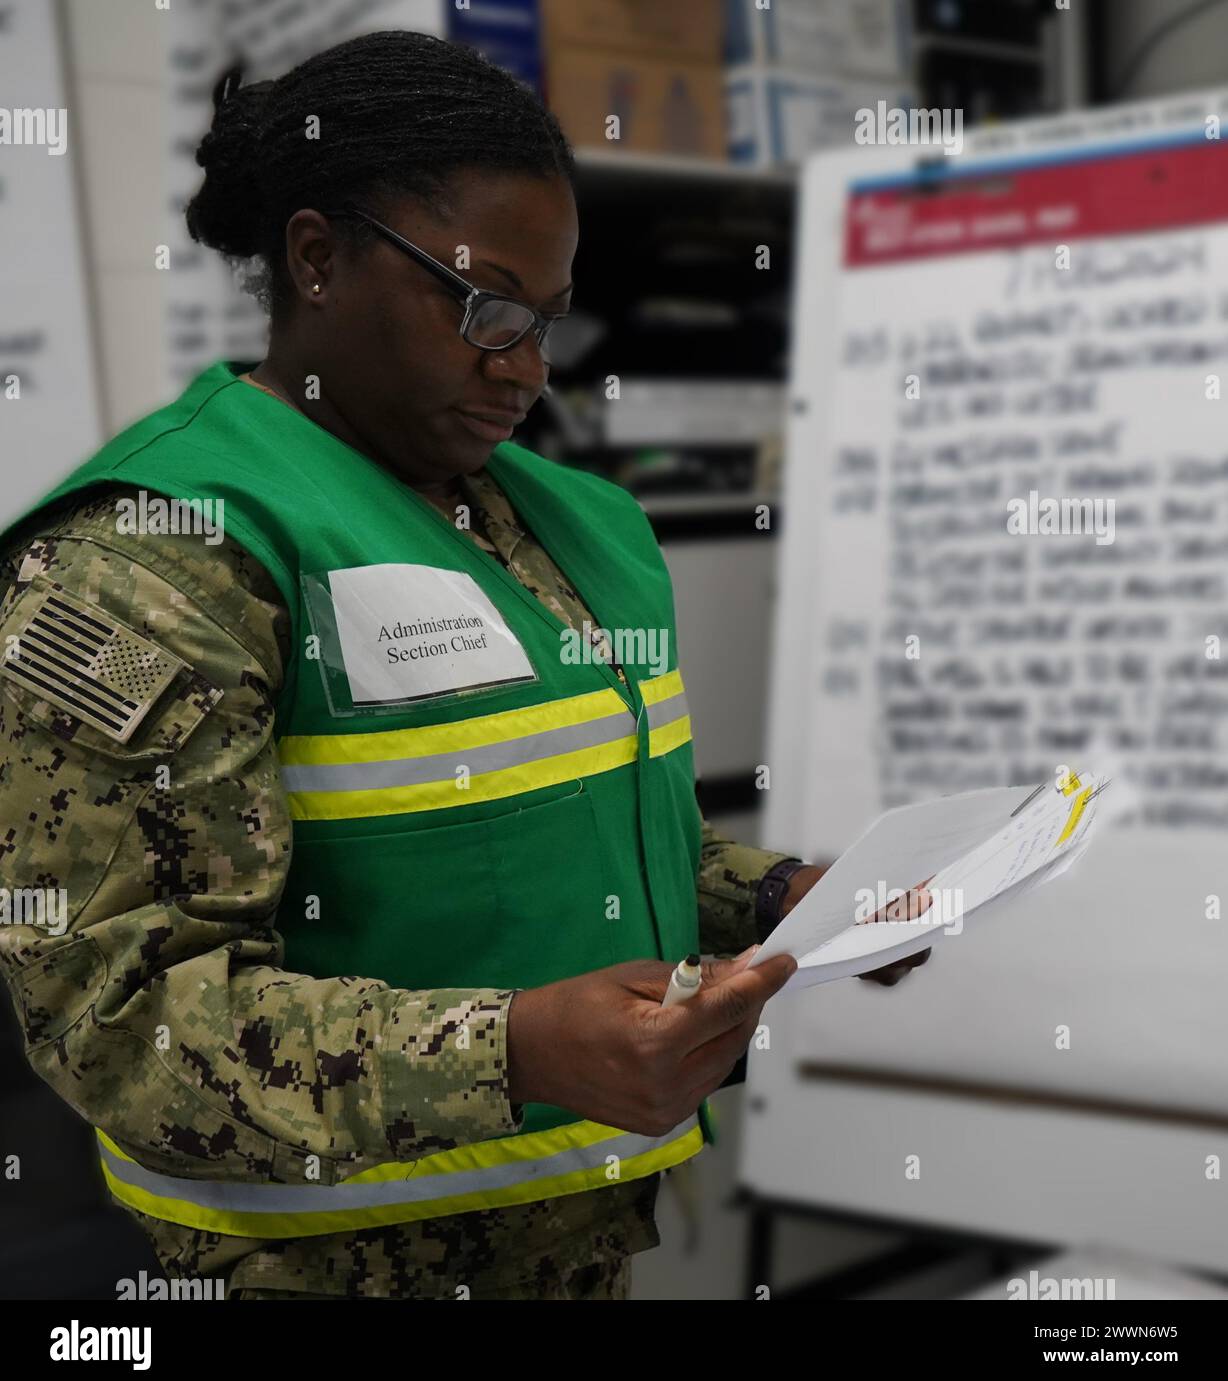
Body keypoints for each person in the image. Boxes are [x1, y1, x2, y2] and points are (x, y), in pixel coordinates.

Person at [0, 31, 926, 1301]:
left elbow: (577, 840)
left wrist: (783, 904)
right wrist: (514, 1050)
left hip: (574, 1246)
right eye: (485, 308)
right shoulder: (155, 561)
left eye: (549, 321)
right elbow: (123, 1021)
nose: (528, 372)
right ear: (317, 257)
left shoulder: (564, 522)